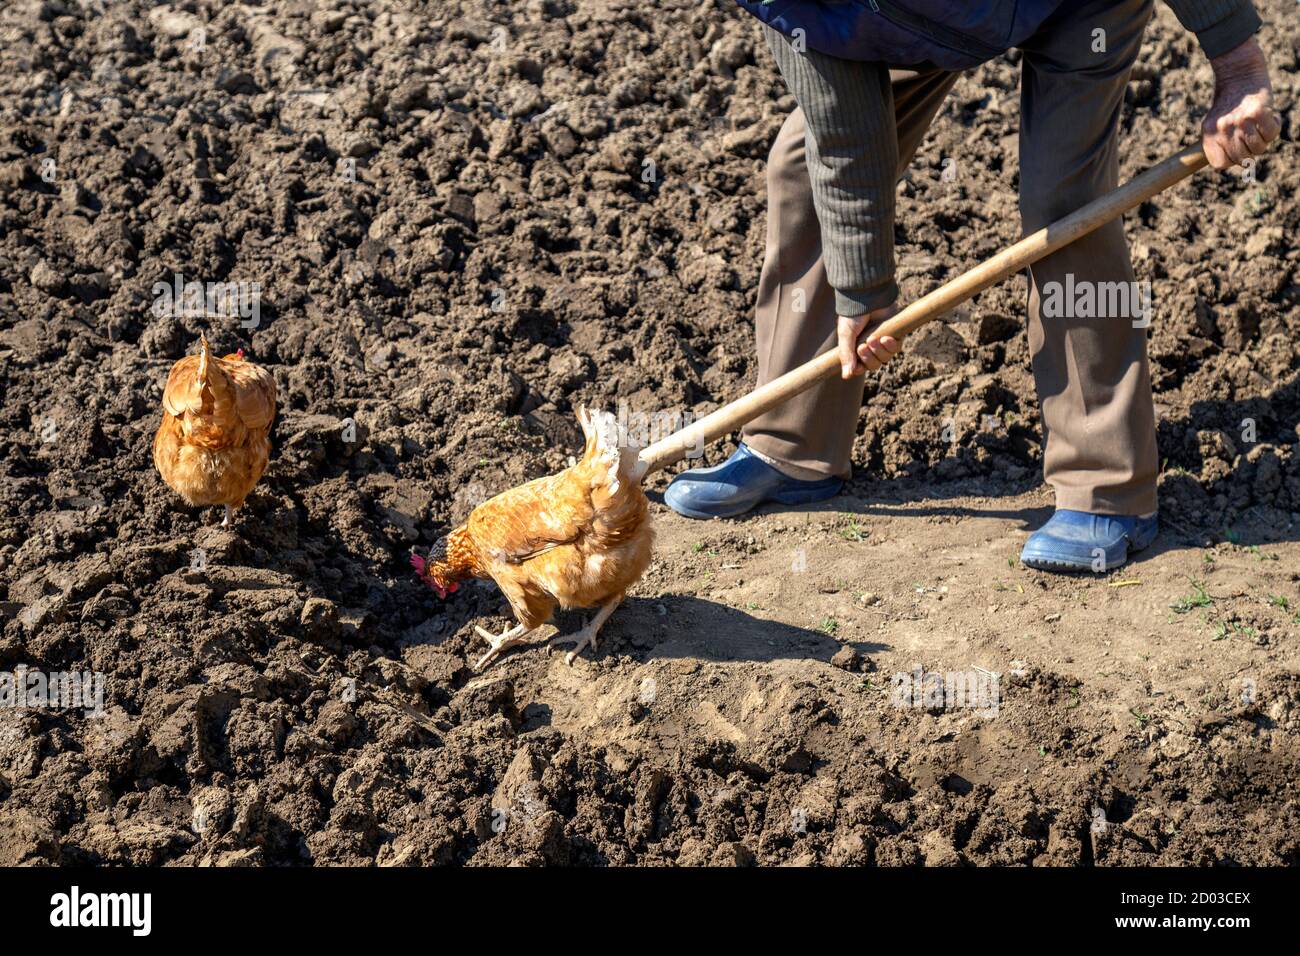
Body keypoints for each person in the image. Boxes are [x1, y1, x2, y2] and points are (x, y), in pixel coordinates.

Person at [664, 0, 1280, 571]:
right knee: (804, 167)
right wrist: (864, 291)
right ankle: (793, 445)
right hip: (918, 16)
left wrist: (1238, 62)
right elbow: (844, 133)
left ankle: (1105, 486)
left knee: (1065, 204)